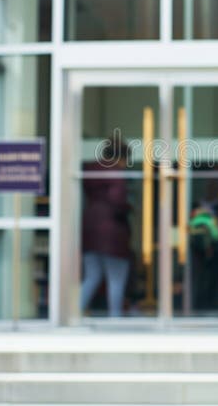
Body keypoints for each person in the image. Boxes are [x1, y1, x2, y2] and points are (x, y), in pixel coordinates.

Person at [80, 135, 132, 317]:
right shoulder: (115, 173)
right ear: (121, 157)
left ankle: (73, 314)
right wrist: (130, 208)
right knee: (116, 280)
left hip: (89, 231)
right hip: (112, 236)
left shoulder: (90, 172)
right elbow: (117, 201)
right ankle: (115, 321)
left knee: (92, 276)